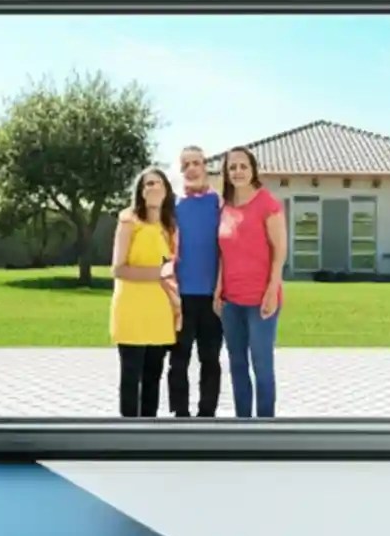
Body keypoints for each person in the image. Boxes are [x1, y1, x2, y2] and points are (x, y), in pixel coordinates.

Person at [216, 146, 287, 418]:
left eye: (243, 166)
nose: (238, 172)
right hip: (231, 302)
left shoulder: (266, 202)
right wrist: (218, 288)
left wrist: (272, 290)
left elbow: (280, 251)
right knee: (236, 364)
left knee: (262, 365)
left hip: (261, 301)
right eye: (232, 167)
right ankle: (242, 423)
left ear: (253, 169)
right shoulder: (225, 206)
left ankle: (266, 427)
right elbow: (224, 250)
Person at [110, 168, 182, 418]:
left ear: (166, 190)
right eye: (147, 184)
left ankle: (149, 433)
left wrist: (175, 305)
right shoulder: (128, 220)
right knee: (131, 377)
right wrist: (157, 275)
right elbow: (118, 269)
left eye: (158, 183)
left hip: (159, 311)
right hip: (131, 309)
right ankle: (127, 437)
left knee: (153, 377)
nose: (153, 187)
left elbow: (169, 268)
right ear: (140, 192)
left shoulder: (170, 227)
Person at [167, 146, 224, 418]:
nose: (192, 168)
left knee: (210, 360)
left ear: (205, 167)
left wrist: (221, 289)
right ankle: (180, 414)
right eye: (186, 164)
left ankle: (207, 415)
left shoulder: (220, 204)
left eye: (197, 163)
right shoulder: (173, 207)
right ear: (181, 170)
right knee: (178, 360)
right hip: (179, 296)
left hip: (213, 296)